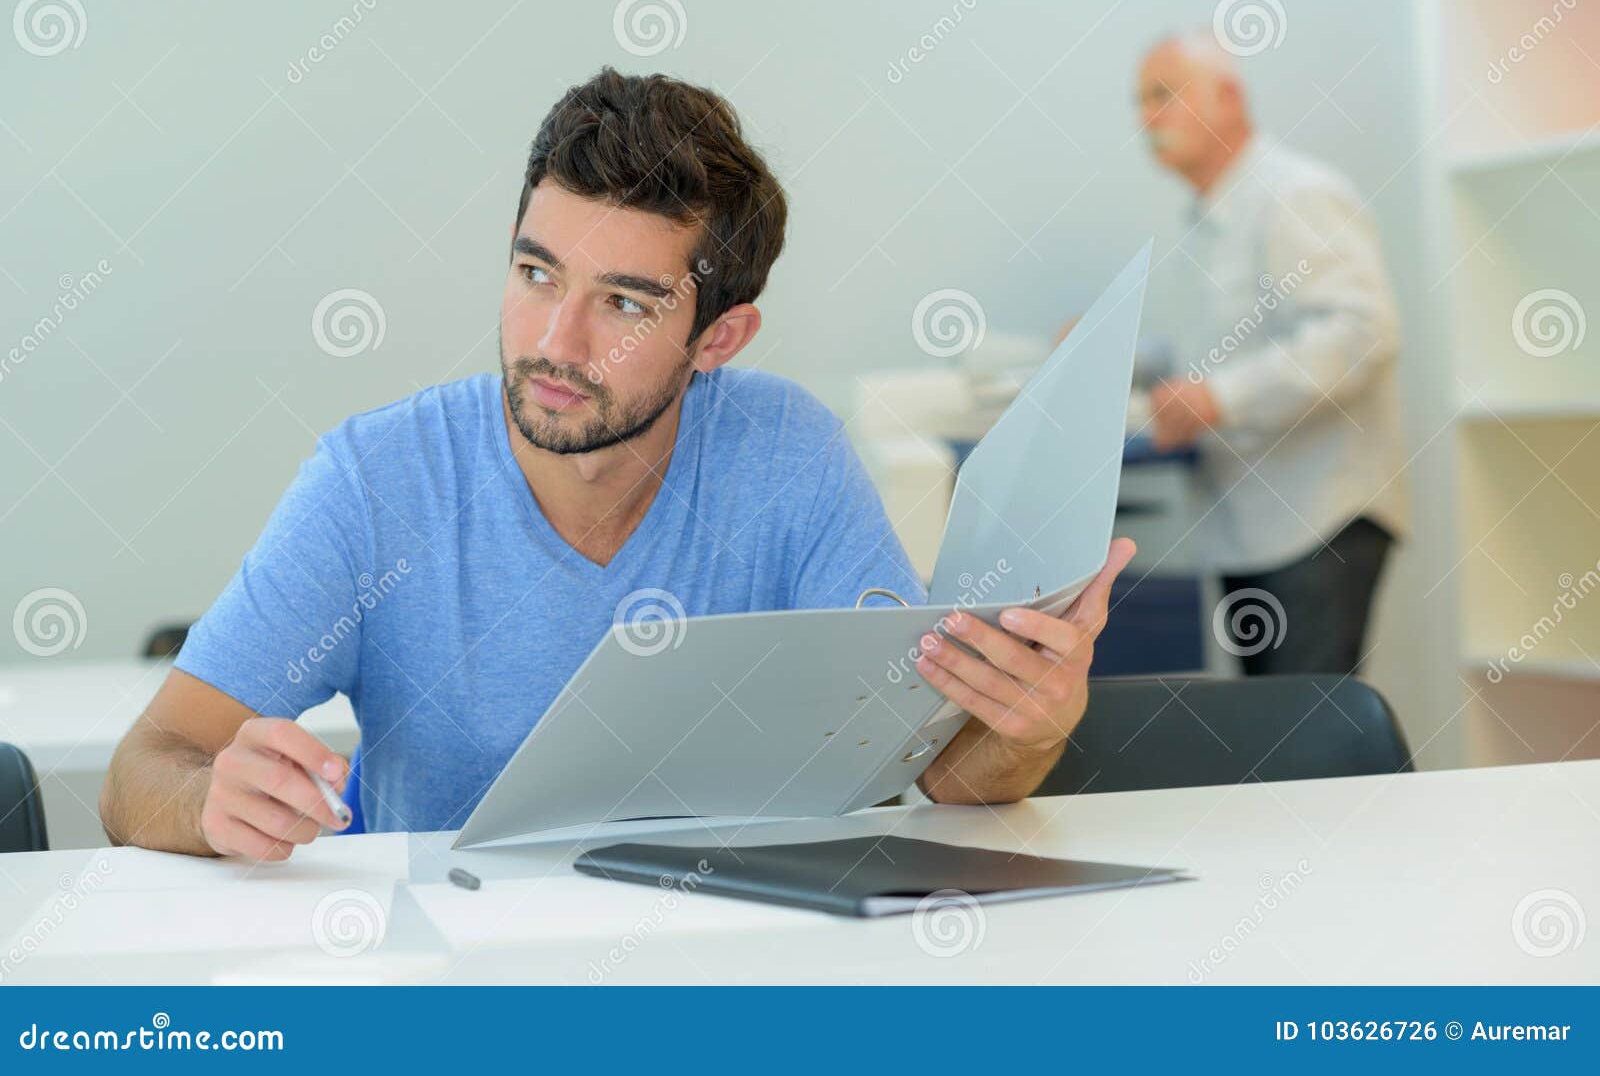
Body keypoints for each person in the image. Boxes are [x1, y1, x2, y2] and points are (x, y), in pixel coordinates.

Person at [100, 67, 1135, 860]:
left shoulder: (787, 454)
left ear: (719, 339)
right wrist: (212, 802)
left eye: (627, 303)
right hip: (455, 986)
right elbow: (139, 775)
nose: (556, 338)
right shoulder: (376, 481)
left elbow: (942, 778)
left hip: (728, 972)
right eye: (534, 272)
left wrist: (1029, 725)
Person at [1136, 33, 1407, 676]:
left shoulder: (1297, 193)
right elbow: (1215, 351)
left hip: (1317, 517)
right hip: (1250, 526)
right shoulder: (1207, 220)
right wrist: (1125, 356)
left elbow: (1360, 330)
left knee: (1308, 745)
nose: (1147, 118)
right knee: (1273, 745)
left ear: (1229, 98)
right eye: (1140, 102)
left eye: (1164, 94)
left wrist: (1219, 398)